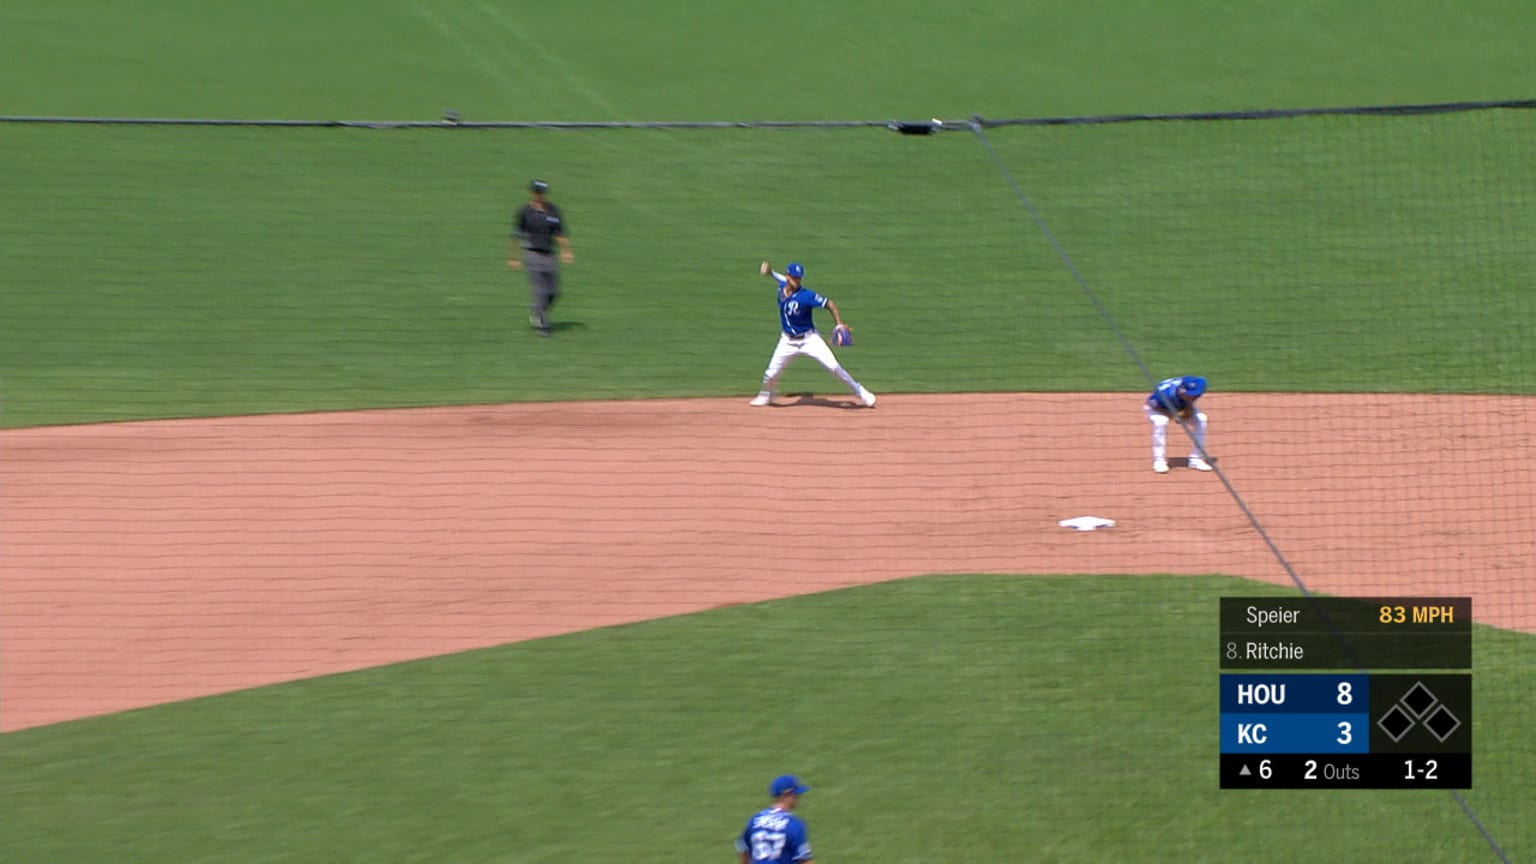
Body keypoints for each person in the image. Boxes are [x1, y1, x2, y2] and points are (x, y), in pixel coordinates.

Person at [750, 260, 876, 408]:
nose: (797, 280)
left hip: (809, 339)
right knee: (771, 373)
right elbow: (779, 278)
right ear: (788, 276)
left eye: (799, 278)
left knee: (834, 367)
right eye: (794, 277)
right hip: (787, 341)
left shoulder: (806, 295)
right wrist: (770, 272)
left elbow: (830, 303)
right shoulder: (783, 285)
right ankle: (766, 395)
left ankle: (860, 392)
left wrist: (839, 323)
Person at [508, 179, 574, 337]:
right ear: (531, 193)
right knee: (540, 291)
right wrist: (514, 257)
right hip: (533, 254)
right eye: (537, 192)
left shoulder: (553, 211)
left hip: (550, 254)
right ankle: (542, 325)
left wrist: (567, 251)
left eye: (542, 192)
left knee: (554, 292)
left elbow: (559, 233)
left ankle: (537, 311)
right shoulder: (525, 211)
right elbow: (516, 235)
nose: (540, 195)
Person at [735, 774, 814, 864]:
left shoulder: (755, 820)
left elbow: (744, 850)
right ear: (786, 795)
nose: (799, 797)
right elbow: (804, 860)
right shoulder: (794, 824)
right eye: (796, 794)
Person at [1144, 375, 1212, 473]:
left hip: (1180, 406)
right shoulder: (1164, 394)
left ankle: (1196, 459)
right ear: (1182, 390)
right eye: (1190, 394)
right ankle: (1159, 461)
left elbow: (1190, 402)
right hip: (1158, 409)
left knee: (1202, 419)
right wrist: (1174, 414)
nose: (1193, 396)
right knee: (1161, 422)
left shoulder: (1199, 385)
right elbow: (1151, 404)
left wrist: (1187, 411)